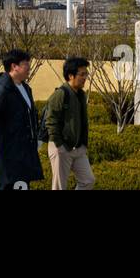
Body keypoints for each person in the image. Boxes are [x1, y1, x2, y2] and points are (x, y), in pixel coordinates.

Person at [0, 49, 43, 189]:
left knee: (22, 185)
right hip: (8, 150)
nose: (29, 68)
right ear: (14, 66)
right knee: (11, 185)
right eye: (25, 64)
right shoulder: (2, 89)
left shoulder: (24, 87)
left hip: (23, 148)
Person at [44, 56, 95, 190]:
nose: (85, 77)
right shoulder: (61, 94)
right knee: (59, 187)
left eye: (86, 74)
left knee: (88, 180)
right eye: (82, 74)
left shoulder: (81, 94)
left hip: (78, 149)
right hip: (61, 148)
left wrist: (84, 144)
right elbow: (50, 120)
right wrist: (59, 144)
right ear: (71, 76)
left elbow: (83, 121)